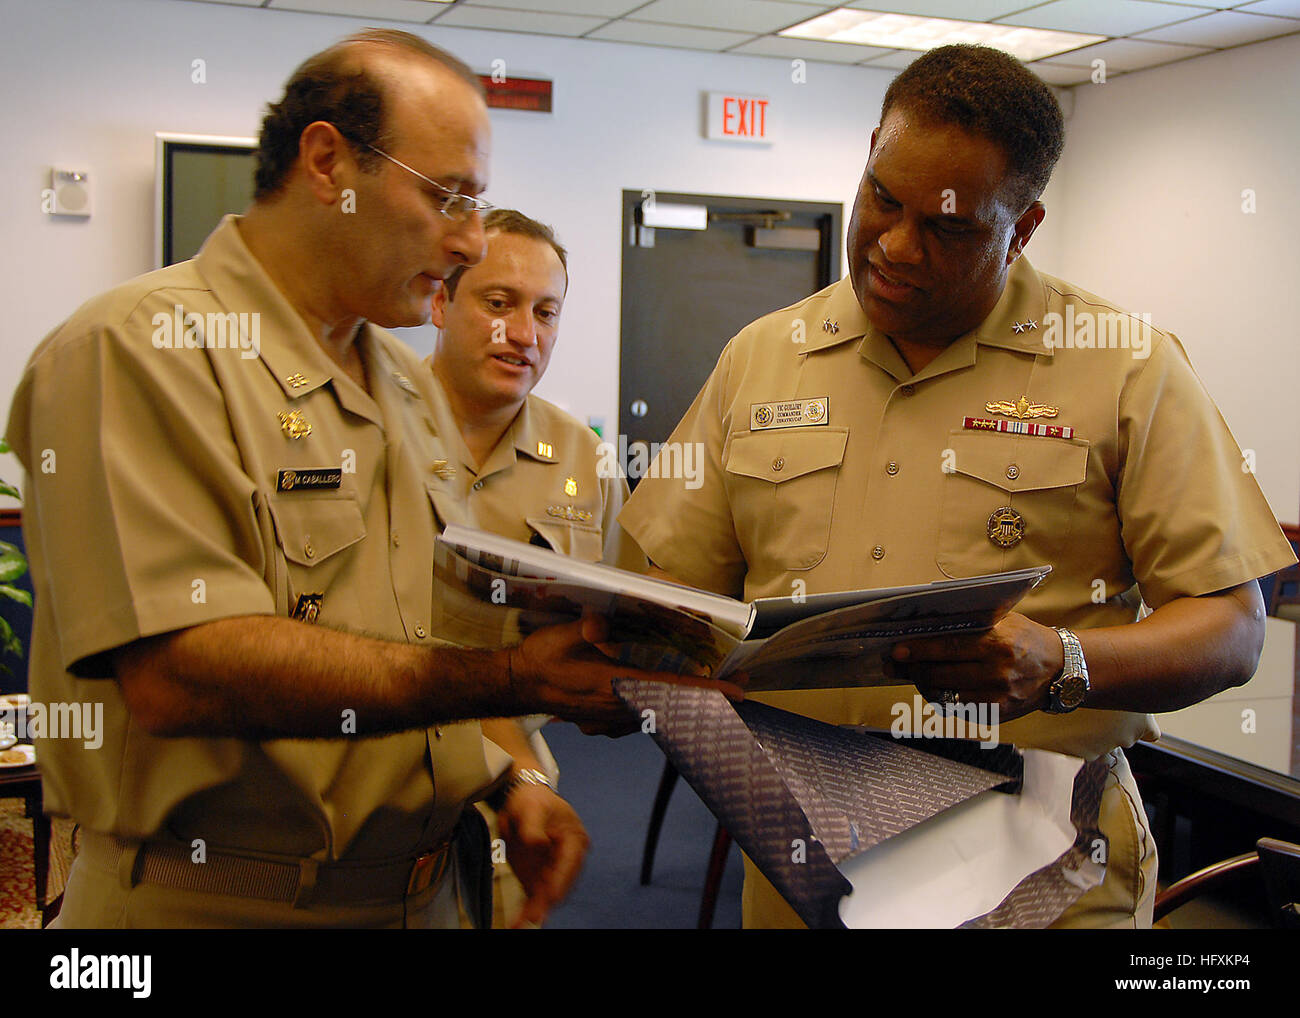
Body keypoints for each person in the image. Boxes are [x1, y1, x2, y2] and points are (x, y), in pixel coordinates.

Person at [5, 29, 732, 929]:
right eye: (450, 198)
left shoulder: (396, 382)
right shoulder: (137, 349)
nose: (470, 242)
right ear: (327, 163)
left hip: (428, 891)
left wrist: (505, 780)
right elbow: (181, 671)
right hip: (222, 905)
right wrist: (512, 679)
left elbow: (406, 634)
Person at [618, 43, 1297, 929]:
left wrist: (1065, 662)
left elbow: (1233, 627)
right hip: (807, 850)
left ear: (1023, 227)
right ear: (867, 157)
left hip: (1041, 863)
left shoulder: (1127, 368)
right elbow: (677, 580)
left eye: (949, 228)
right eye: (882, 201)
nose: (897, 247)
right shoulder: (763, 357)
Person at [424, 208, 647, 927]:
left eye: (546, 312)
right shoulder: (370, 428)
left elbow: (619, 614)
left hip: (517, 794)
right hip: (375, 780)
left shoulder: (582, 459)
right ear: (437, 301)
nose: (525, 334)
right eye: (499, 303)